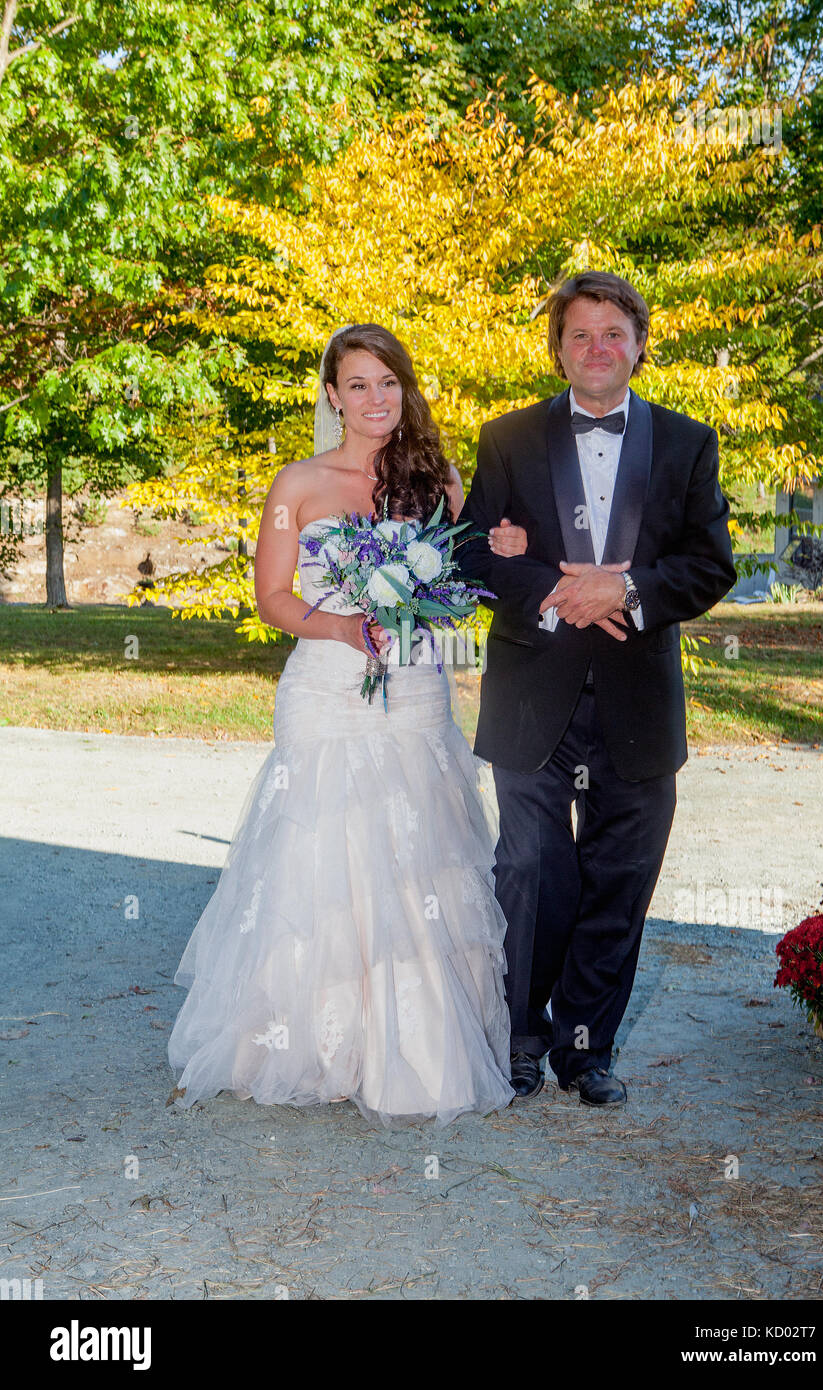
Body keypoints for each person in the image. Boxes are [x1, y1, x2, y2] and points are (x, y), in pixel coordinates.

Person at [167, 323, 524, 1126]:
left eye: (388, 383)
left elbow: (474, 578)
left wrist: (488, 564)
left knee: (417, 856)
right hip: (327, 689)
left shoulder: (439, 479)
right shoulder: (297, 485)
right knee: (320, 859)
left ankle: (417, 1048)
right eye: (357, 385)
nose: (375, 400)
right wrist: (344, 627)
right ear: (332, 395)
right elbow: (274, 597)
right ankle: (319, 1045)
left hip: (416, 692)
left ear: (406, 389)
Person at [457, 271, 737, 1105]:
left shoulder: (688, 443)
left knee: (620, 876)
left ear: (640, 346)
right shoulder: (506, 437)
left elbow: (710, 563)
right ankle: (518, 1041)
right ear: (558, 351)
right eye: (579, 335)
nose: (597, 348)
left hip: (639, 701)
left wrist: (627, 591)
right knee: (533, 870)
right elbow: (473, 555)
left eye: (613, 333)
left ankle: (588, 1051)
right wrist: (555, 585)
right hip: (532, 691)